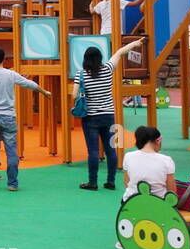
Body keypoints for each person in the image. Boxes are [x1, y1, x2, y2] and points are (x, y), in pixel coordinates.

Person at [0, 46, 52, 191]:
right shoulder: (10, 74)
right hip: (8, 117)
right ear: (4, 59)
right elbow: (29, 84)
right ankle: (12, 184)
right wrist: (44, 92)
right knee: (12, 151)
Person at [72, 39, 145, 191]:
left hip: (90, 117)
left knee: (92, 151)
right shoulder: (108, 69)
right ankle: (110, 181)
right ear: (100, 58)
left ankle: (92, 182)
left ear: (85, 60)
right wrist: (136, 43)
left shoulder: (81, 75)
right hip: (109, 116)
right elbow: (120, 52)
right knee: (110, 149)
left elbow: (74, 95)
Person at [120, 126, 176, 202]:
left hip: (131, 201)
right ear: (158, 141)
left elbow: (126, 182)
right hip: (159, 203)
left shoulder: (128, 156)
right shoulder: (166, 160)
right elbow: (171, 190)